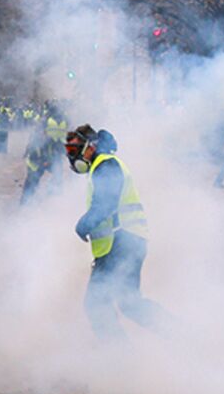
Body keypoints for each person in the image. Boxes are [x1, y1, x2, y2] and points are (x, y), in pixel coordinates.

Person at [67, 125, 166, 338]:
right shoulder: (102, 165)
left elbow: (106, 202)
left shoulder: (106, 165)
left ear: (90, 147)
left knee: (97, 304)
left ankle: (119, 357)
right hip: (124, 242)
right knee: (129, 303)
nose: (71, 156)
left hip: (122, 242)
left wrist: (83, 224)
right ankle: (180, 334)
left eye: (74, 150)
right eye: (69, 151)